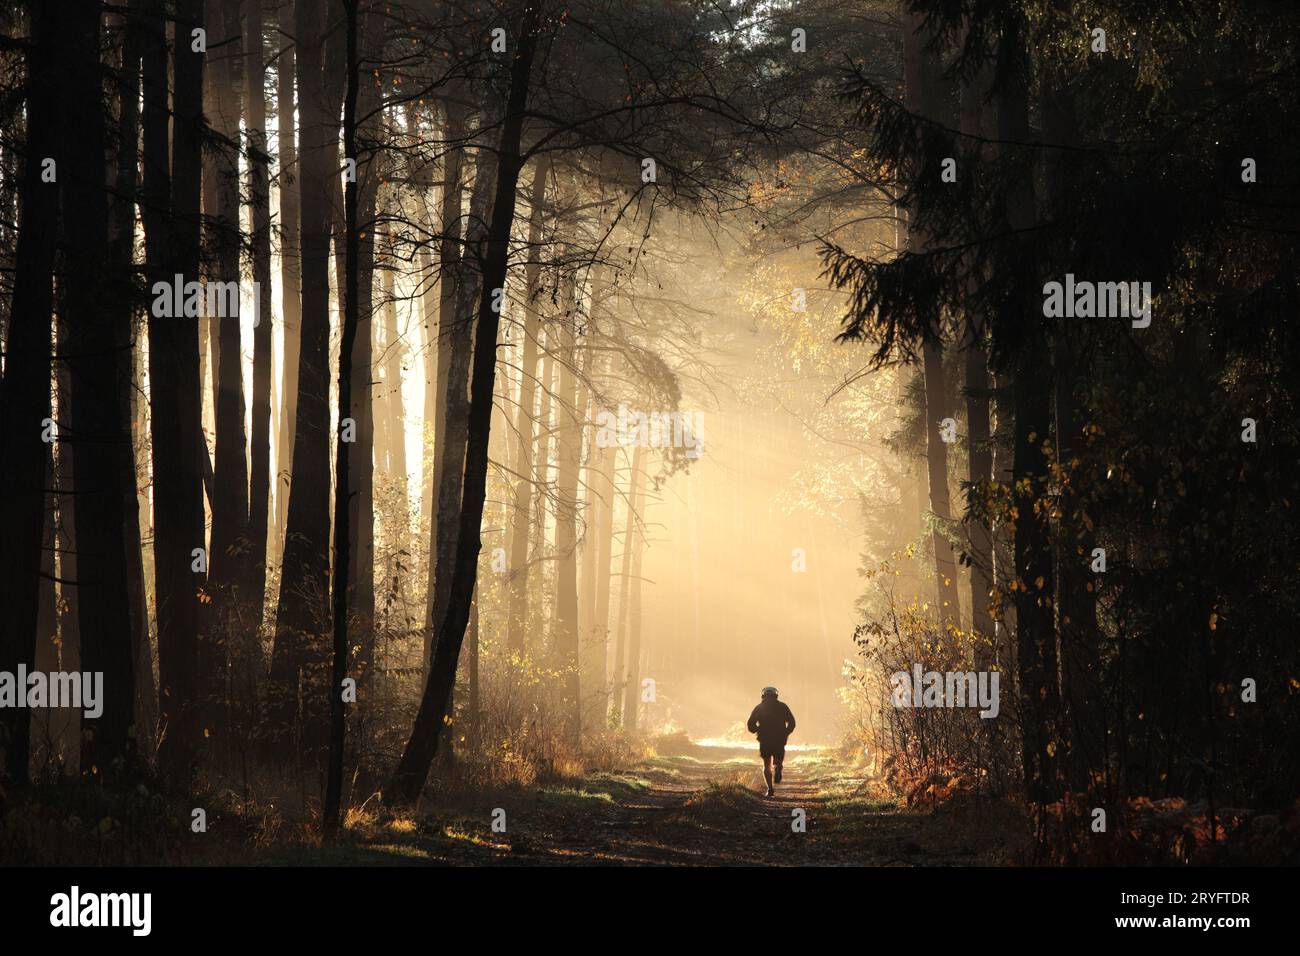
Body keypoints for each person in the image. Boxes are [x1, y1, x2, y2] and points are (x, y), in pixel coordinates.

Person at [747, 686, 796, 797]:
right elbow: (792, 722)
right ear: (776, 695)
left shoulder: (759, 708)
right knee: (778, 760)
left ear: (763, 695)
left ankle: (770, 789)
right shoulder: (783, 707)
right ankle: (778, 767)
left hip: (764, 740)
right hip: (779, 739)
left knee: (766, 764)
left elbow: (750, 724)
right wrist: (786, 732)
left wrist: (757, 730)